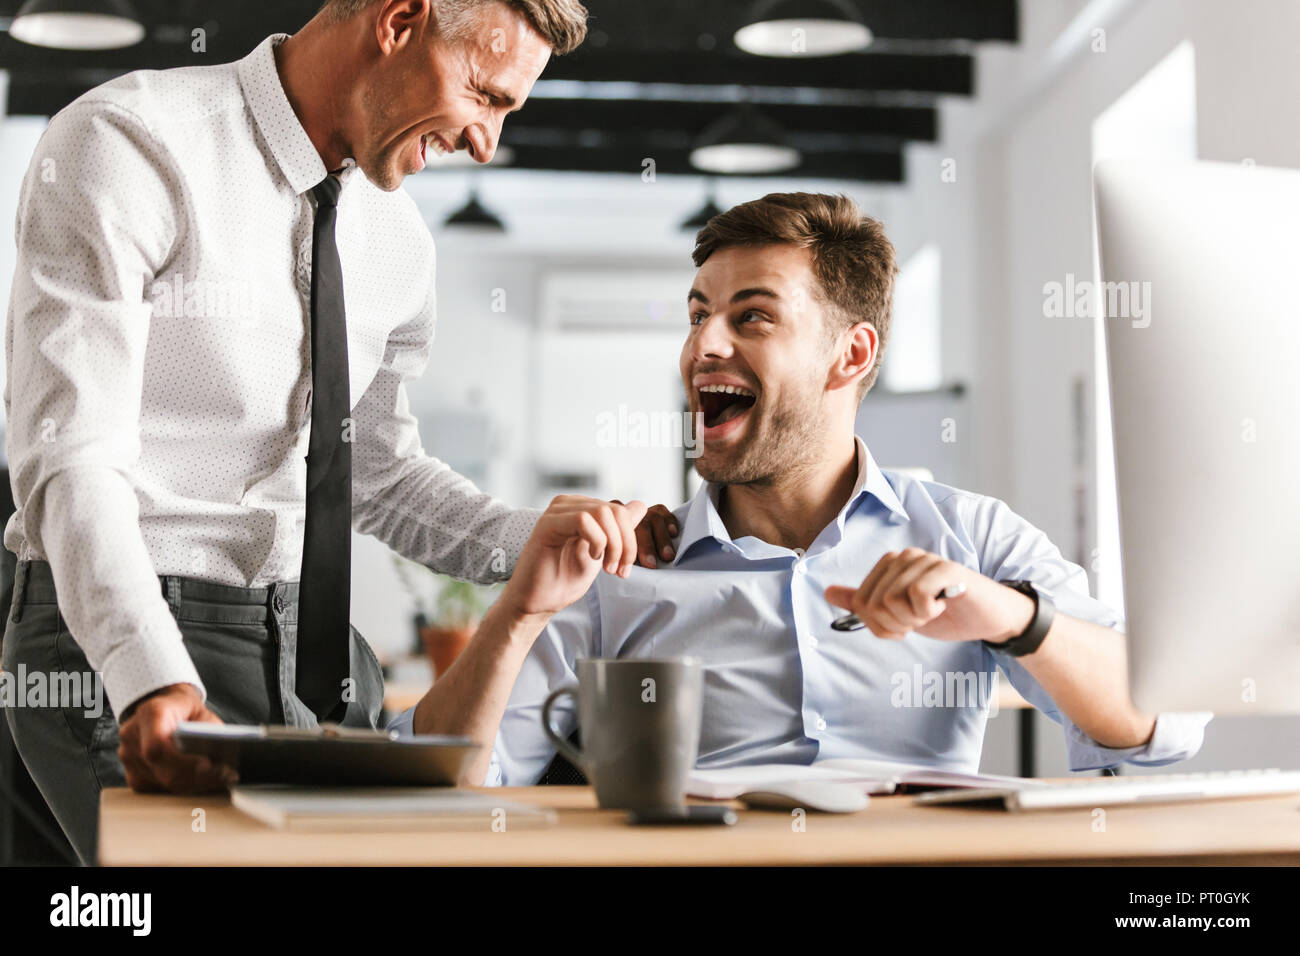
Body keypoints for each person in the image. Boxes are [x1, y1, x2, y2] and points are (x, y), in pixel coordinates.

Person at [1, 0, 674, 864]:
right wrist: (149, 676)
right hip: (124, 627)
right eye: (485, 95)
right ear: (398, 22)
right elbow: (71, 458)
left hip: (312, 646)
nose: (486, 143)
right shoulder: (130, 143)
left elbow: (380, 474)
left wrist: (525, 539)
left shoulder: (399, 243)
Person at [394, 192, 1210, 784]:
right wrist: (518, 613)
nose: (702, 345)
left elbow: (1161, 722)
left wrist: (1007, 613)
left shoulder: (969, 540)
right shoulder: (616, 570)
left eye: (751, 317)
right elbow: (444, 790)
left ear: (850, 356)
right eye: (696, 314)